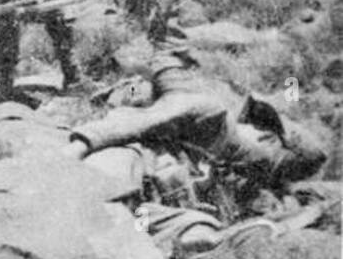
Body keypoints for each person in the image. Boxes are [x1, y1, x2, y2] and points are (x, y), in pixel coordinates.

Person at [67, 51, 326, 198]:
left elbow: (143, 121)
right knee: (154, 70)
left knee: (157, 75)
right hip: (192, 140)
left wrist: (77, 148)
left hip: (201, 141)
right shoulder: (215, 114)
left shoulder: (213, 115)